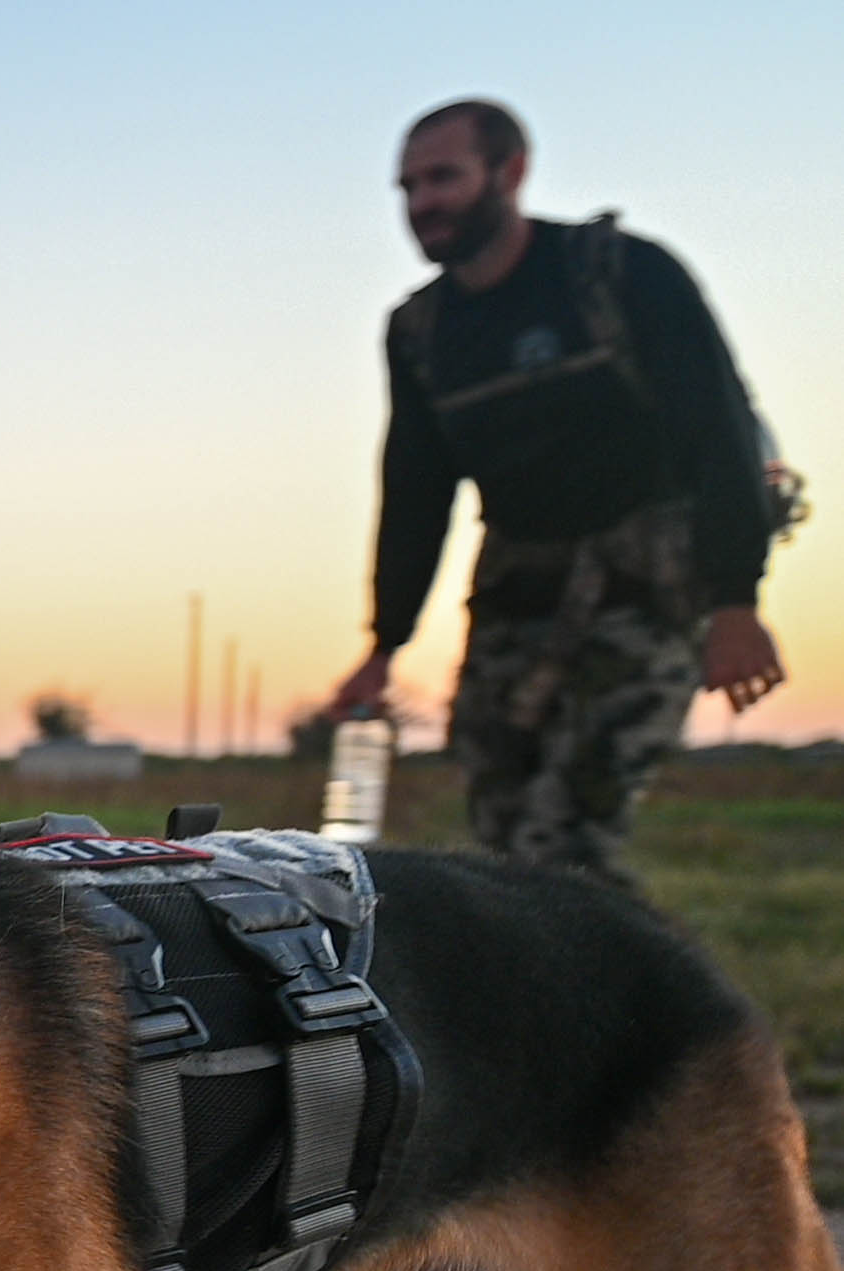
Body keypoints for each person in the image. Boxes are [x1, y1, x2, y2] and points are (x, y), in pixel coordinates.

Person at [324, 98, 787, 885]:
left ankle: (619, 963)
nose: (422, 202)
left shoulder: (620, 274)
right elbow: (414, 492)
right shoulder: (420, 331)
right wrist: (383, 646)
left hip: (644, 592)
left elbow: (719, 431)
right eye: (408, 187)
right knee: (500, 844)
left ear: (509, 172)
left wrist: (735, 602)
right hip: (517, 597)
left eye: (443, 177)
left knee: (564, 844)